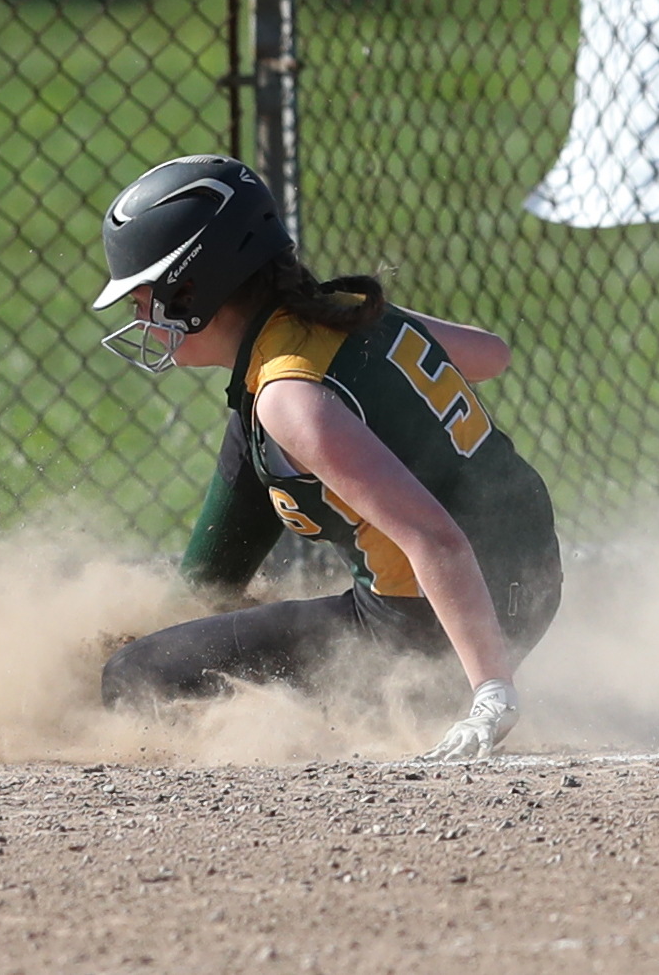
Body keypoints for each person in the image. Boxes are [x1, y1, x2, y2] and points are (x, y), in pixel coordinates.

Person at [91, 155, 561, 759]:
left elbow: (435, 539)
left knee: (132, 677)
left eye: (145, 294)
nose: (138, 313)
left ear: (192, 290)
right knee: (250, 424)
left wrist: (491, 690)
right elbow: (491, 354)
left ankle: (402, 695)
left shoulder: (290, 399)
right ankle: (198, 603)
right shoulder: (341, 317)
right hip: (534, 573)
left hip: (434, 631)